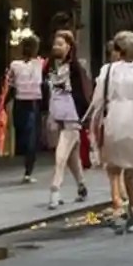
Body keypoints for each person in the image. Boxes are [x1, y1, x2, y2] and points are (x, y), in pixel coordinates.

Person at [89, 31, 133, 235]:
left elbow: (97, 103)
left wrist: (93, 129)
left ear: (118, 50)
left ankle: (119, 206)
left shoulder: (107, 71)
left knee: (114, 168)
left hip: (115, 122)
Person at [44, 31, 91, 209]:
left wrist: (84, 116)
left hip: (72, 114)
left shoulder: (75, 68)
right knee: (72, 155)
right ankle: (81, 186)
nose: (57, 47)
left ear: (69, 47)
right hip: (55, 113)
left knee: (61, 155)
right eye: (55, 44)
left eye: (61, 44)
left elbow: (83, 92)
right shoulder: (49, 66)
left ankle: (55, 189)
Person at [5, 36, 45, 183]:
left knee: (31, 138)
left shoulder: (41, 63)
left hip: (33, 103)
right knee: (24, 135)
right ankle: (27, 165)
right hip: (22, 103)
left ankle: (28, 170)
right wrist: (4, 103)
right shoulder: (15, 65)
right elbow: (11, 86)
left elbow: (47, 82)